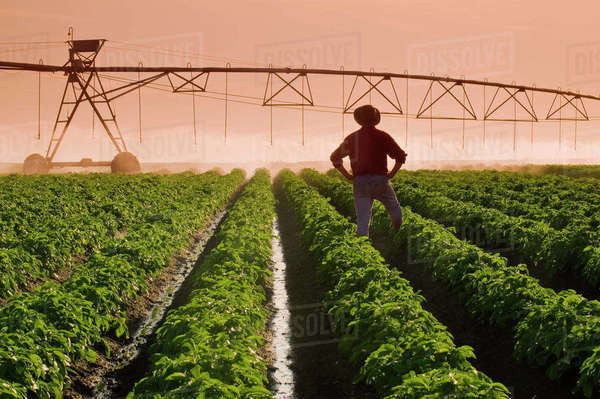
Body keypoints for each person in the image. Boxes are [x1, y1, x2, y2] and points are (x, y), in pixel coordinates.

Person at [330, 104, 407, 237]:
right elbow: (400, 156)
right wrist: (392, 174)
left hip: (360, 181)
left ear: (359, 120)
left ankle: (362, 246)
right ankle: (398, 234)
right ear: (375, 118)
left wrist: (347, 175)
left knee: (363, 218)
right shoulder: (382, 136)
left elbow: (335, 157)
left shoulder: (352, 139)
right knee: (394, 208)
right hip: (380, 180)